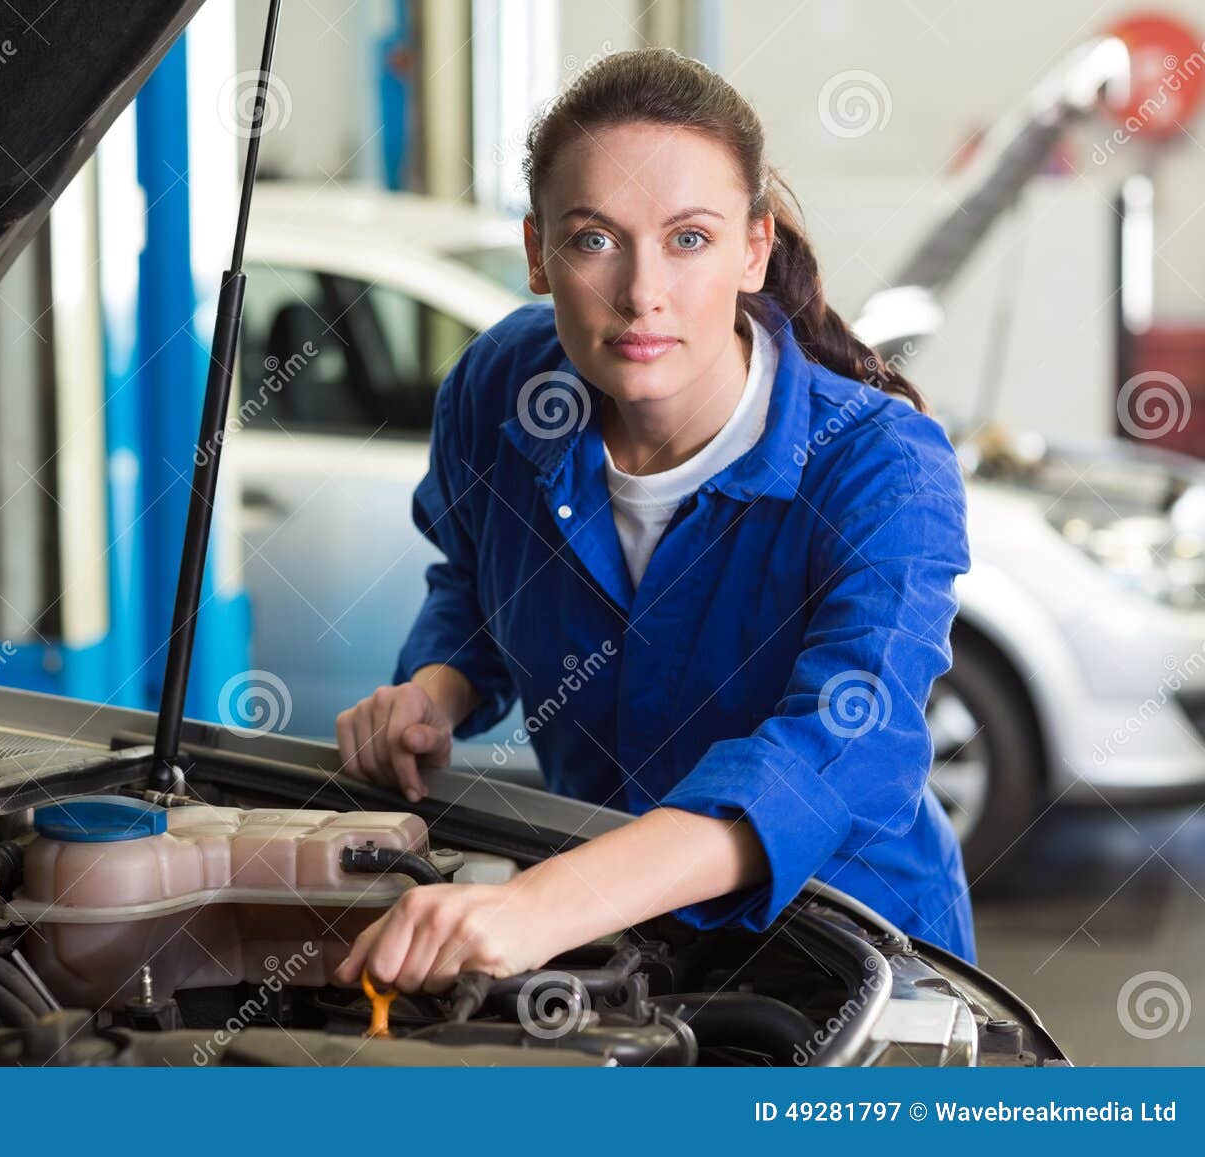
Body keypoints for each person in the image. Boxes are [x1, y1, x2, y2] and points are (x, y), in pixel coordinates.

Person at [331, 47, 976, 994]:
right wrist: (437, 693)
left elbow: (837, 749)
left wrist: (542, 906)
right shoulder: (503, 389)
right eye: (594, 238)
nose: (642, 293)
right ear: (537, 254)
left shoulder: (879, 466)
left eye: (689, 238)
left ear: (754, 248)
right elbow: (475, 580)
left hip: (855, 954)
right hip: (614, 943)